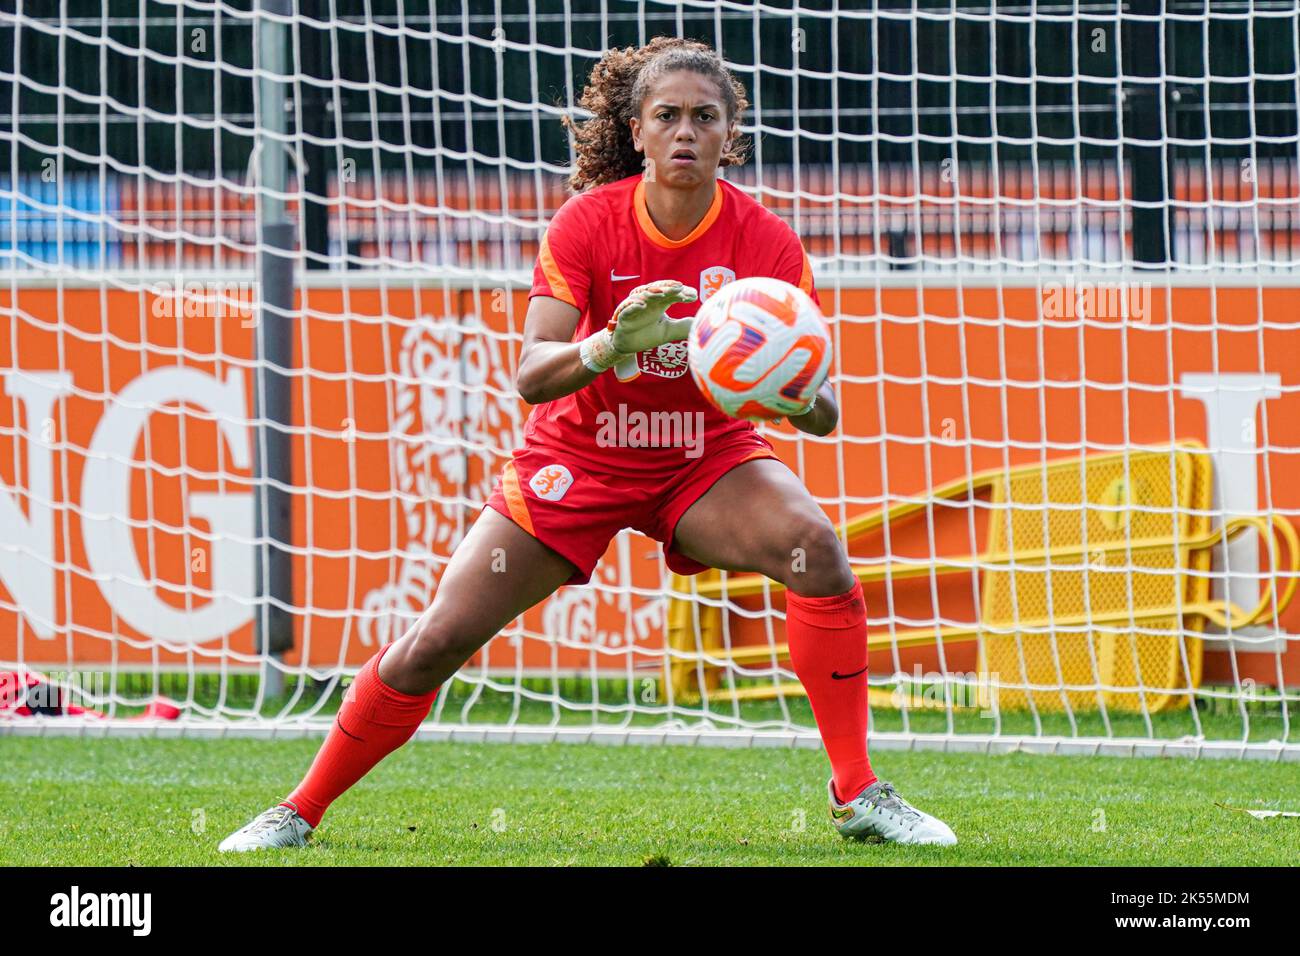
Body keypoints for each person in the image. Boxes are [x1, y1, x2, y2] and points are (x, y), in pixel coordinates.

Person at [219, 37, 955, 852]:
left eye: (703, 118)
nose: (685, 132)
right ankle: (299, 809)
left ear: (728, 133)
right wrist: (611, 344)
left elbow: (823, 410)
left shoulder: (764, 240)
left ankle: (858, 792)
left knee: (816, 547)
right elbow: (533, 375)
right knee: (436, 640)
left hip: (702, 459)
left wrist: (793, 394)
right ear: (636, 131)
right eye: (666, 116)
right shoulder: (587, 223)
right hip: (575, 460)